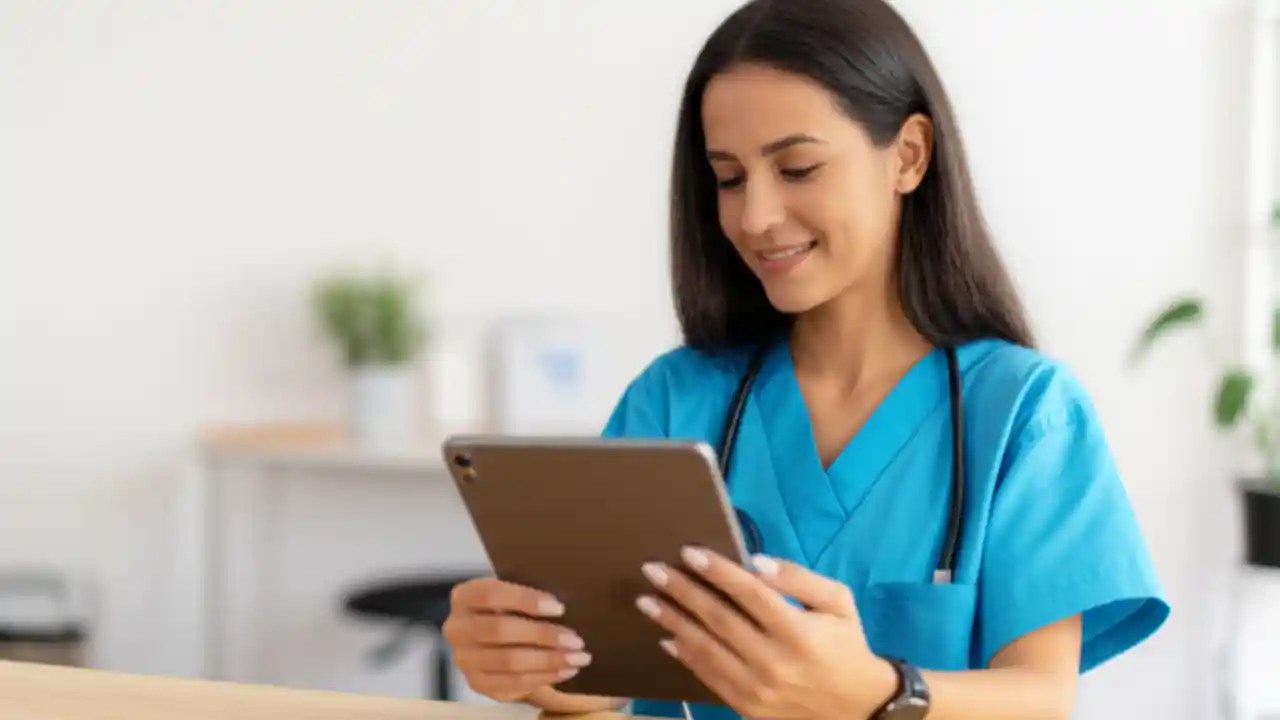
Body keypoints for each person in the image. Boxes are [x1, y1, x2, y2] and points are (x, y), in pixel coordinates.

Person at [441, 0, 1169, 717]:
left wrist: (880, 694)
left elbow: (1041, 701)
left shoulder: (1022, 415)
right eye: (728, 178)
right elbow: (605, 686)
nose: (754, 216)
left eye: (796, 168)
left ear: (908, 156)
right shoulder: (672, 402)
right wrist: (539, 666)